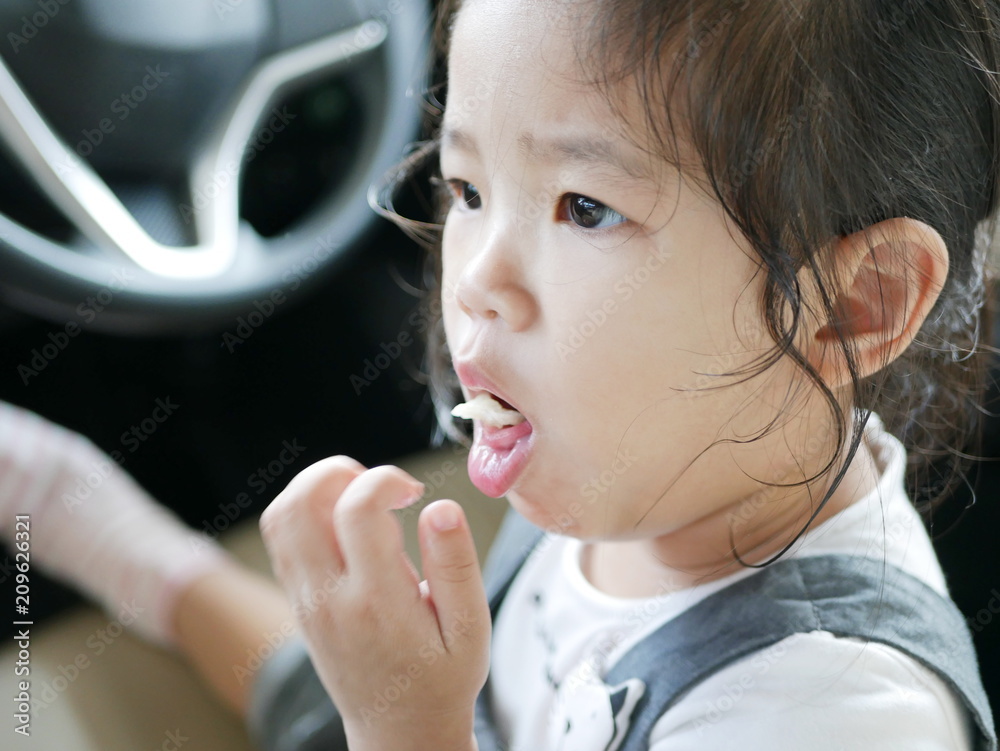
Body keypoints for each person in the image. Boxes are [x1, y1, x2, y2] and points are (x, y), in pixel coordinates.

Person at [2, 0, 998, 749]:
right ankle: (104, 527)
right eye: (468, 186)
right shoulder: (655, 456)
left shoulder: (830, 716)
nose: (474, 278)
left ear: (851, 303)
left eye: (584, 206)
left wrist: (407, 730)